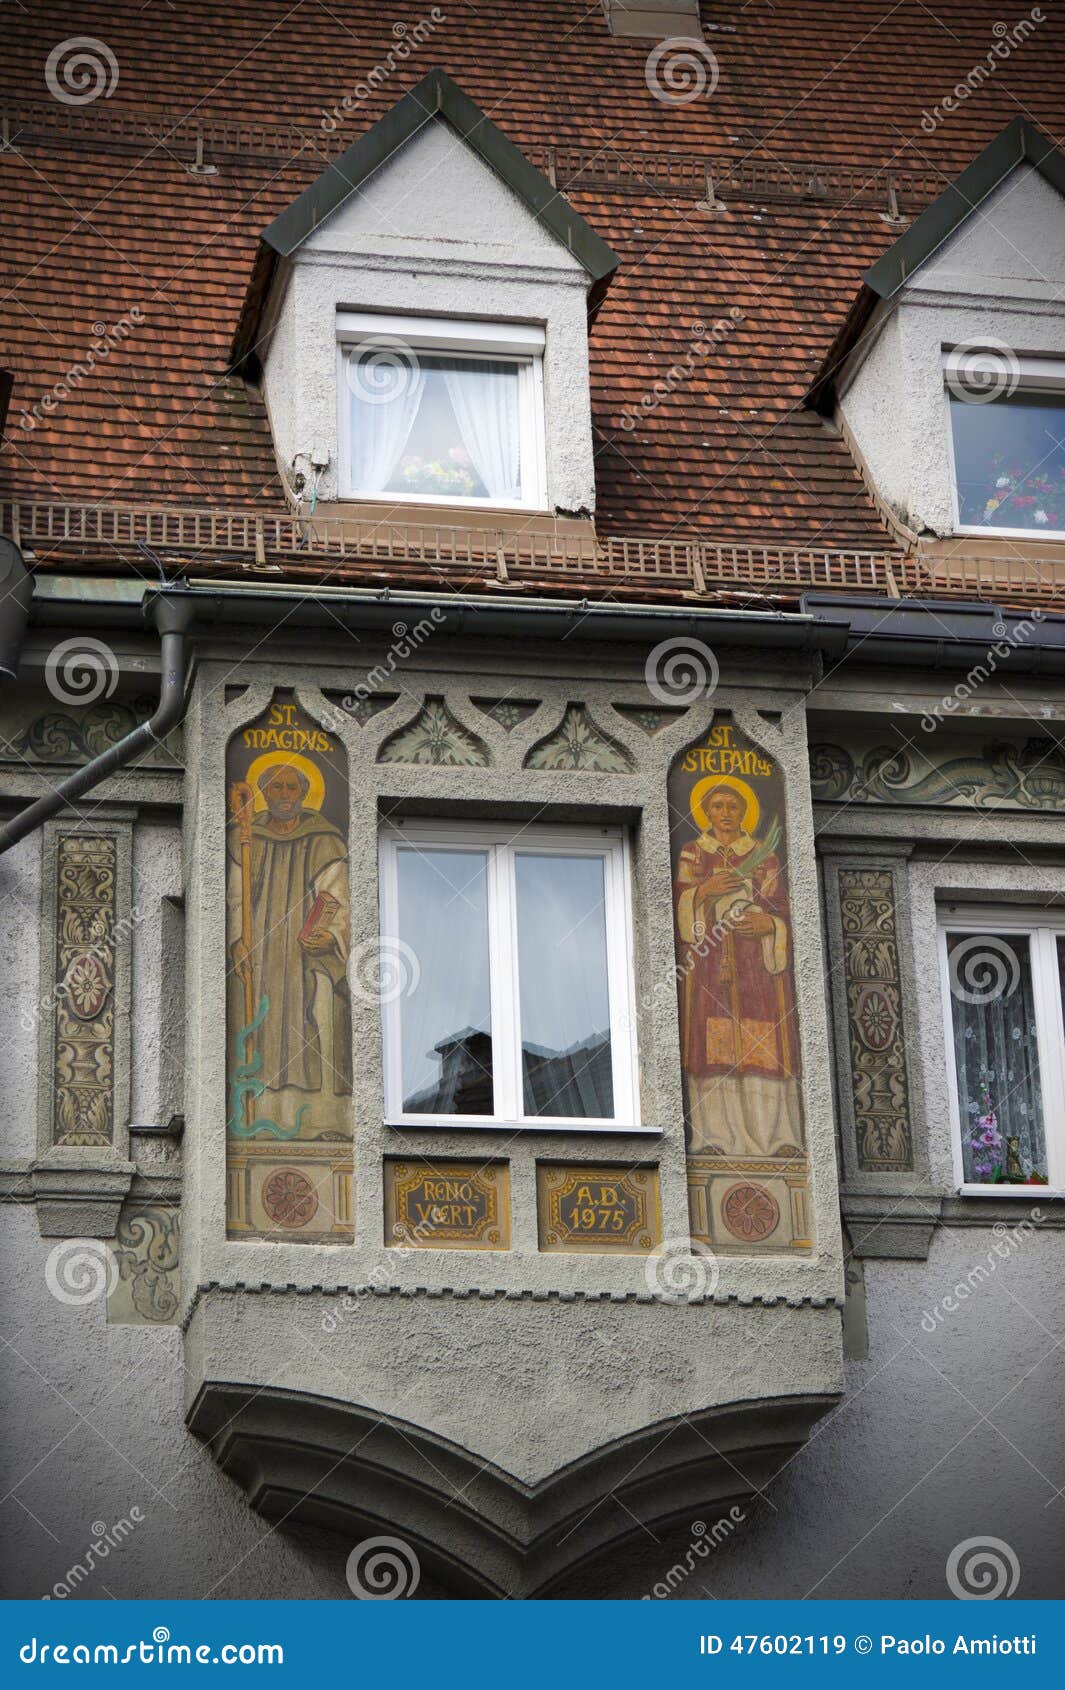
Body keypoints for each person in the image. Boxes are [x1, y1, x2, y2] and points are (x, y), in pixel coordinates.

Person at [674, 785, 802, 1157]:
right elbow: (681, 900)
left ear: (745, 812)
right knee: (712, 1046)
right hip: (712, 967)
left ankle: (775, 1139)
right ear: (707, 812)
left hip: (756, 970)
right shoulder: (694, 852)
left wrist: (771, 927)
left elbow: (780, 905)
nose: (725, 812)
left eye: (733, 805)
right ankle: (714, 1137)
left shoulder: (763, 856)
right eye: (717, 805)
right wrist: (702, 892)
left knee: (765, 1046)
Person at [227, 763, 351, 1132]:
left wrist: (331, 934)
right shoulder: (247, 836)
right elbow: (234, 899)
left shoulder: (324, 839)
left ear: (303, 793)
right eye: (276, 787)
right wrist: (236, 939)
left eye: (291, 788)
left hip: (300, 954)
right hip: (258, 949)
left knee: (306, 1013)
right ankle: (251, 1108)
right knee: (253, 1019)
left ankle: (312, 1115)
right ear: (264, 793)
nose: (284, 795)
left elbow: (338, 896)